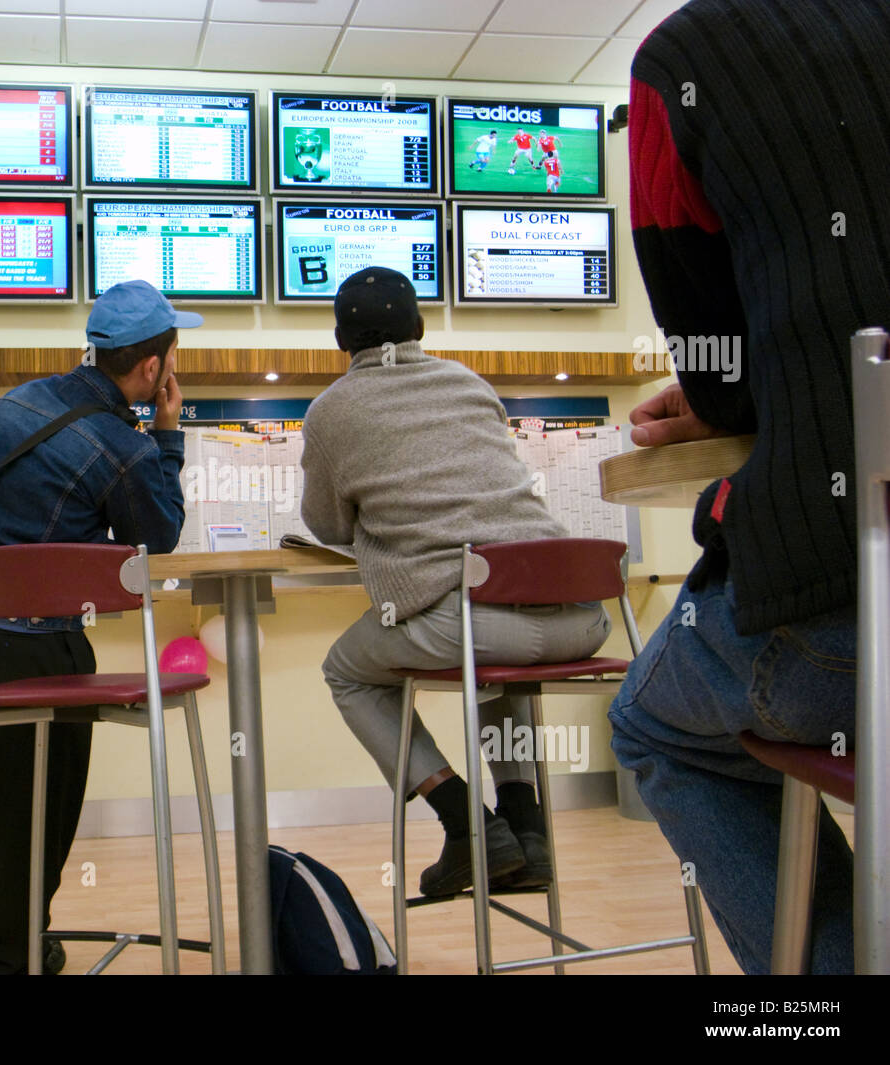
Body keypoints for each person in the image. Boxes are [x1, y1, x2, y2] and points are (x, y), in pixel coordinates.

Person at [608, 0, 890, 975]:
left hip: (847, 597)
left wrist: (735, 390)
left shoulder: (678, 59)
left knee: (653, 723)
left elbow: (723, 372)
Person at [302, 266, 612, 896]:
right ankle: (528, 833)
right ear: (420, 327)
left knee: (346, 671)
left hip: (472, 621)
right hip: (582, 617)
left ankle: (468, 824)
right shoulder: (469, 381)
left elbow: (328, 523)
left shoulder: (331, 410)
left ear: (342, 343)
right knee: (497, 675)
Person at [0, 280, 201, 974]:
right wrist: (167, 434)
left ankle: (16, 944)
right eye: (173, 357)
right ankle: (7, 956)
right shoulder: (124, 447)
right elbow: (157, 536)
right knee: (36, 820)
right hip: (38, 649)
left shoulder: (13, 403)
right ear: (152, 368)